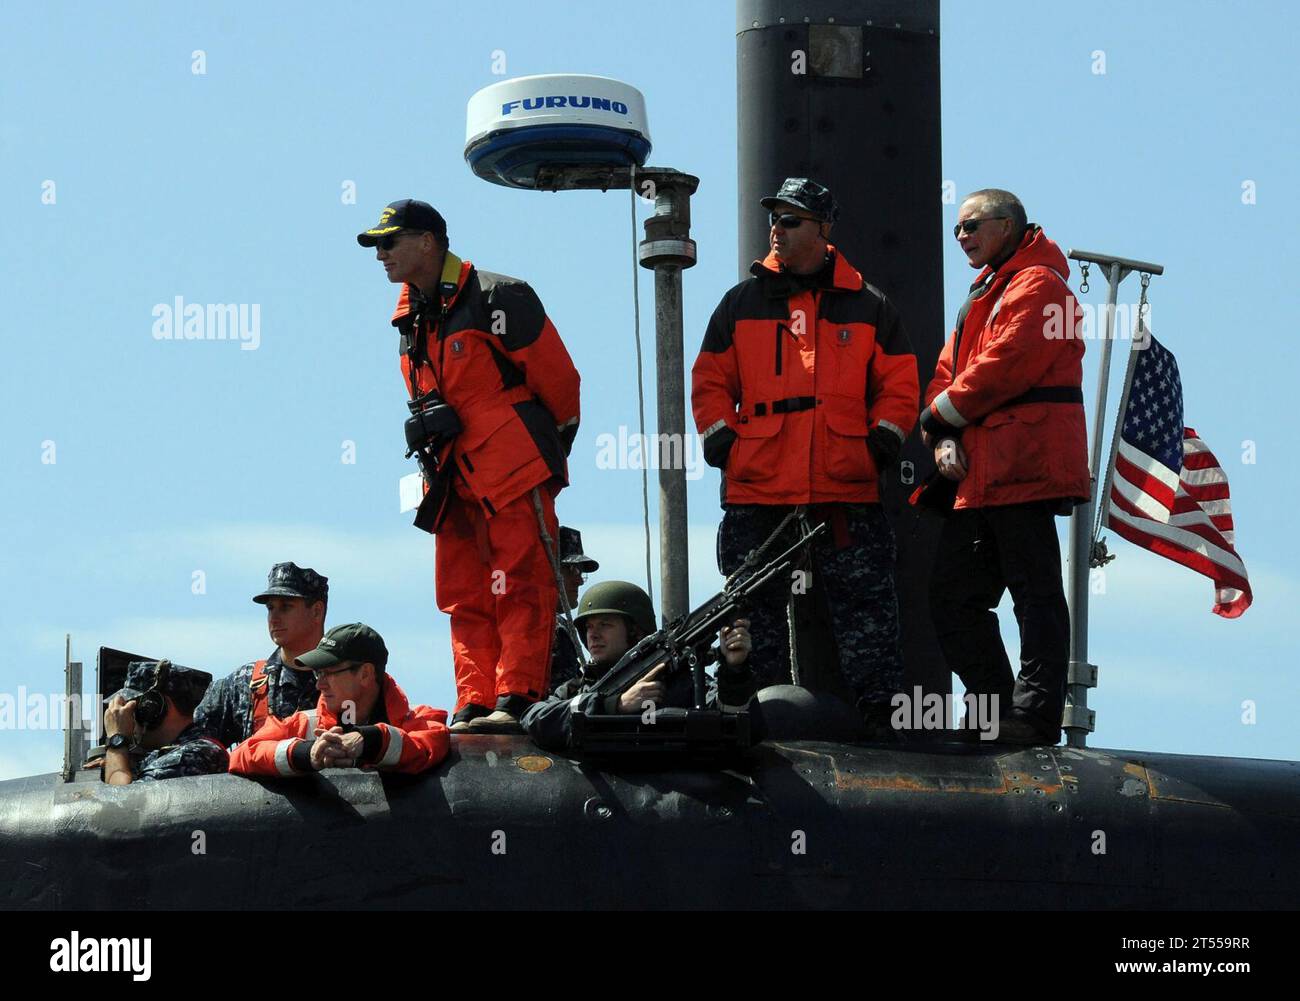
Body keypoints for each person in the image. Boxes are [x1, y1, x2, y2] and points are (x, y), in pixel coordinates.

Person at [690, 177, 919, 737]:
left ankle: (884, 726)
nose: (778, 229)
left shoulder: (869, 306)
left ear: (823, 230)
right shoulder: (739, 303)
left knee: (866, 611)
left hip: (845, 487)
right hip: (758, 487)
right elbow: (709, 380)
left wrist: (884, 439)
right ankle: (751, 719)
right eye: (775, 219)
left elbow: (900, 386)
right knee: (750, 612)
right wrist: (720, 436)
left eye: (791, 220)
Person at [359, 199, 581, 733]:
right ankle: (477, 699)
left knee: (521, 583)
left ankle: (517, 692)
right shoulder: (409, 321)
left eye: (390, 242)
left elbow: (562, 386)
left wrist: (538, 455)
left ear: (430, 242)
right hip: (452, 479)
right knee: (463, 595)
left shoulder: (499, 296)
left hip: (511, 470)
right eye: (378, 246)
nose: (381, 255)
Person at [918, 188, 1088, 745]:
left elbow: (1006, 364)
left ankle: (1035, 715)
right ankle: (996, 711)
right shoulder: (984, 293)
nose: (962, 236)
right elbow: (950, 370)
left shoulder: (1040, 285)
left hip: (1022, 464)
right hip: (980, 474)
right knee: (954, 596)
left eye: (971, 226)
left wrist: (940, 418)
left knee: (1033, 590)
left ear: (1009, 225)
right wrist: (942, 434)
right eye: (956, 230)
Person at [521, 581, 758, 751]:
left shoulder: (680, 685)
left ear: (635, 631)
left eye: (605, 625)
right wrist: (616, 705)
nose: (593, 635)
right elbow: (535, 719)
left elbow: (738, 724)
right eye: (589, 627)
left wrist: (734, 669)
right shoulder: (577, 689)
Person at [228, 623, 450, 777]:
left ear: (365, 673)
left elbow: (428, 744)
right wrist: (307, 753)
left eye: (328, 673)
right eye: (318, 673)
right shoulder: (305, 724)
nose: (319, 684)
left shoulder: (420, 718)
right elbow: (242, 754)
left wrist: (367, 741)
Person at [193, 562, 328, 748]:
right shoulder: (242, 684)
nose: (274, 617)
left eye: (286, 607)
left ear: (316, 611)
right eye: (270, 608)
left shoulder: (348, 680)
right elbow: (196, 745)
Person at [101, 661, 227, 784]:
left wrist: (116, 741)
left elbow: (121, 800)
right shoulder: (178, 751)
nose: (128, 715)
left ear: (153, 706)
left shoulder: (191, 756)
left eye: (132, 706)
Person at [547, 525, 598, 695]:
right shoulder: (552, 627)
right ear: (546, 570)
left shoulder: (514, 618)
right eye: (571, 569)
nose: (580, 581)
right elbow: (562, 699)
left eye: (580, 571)